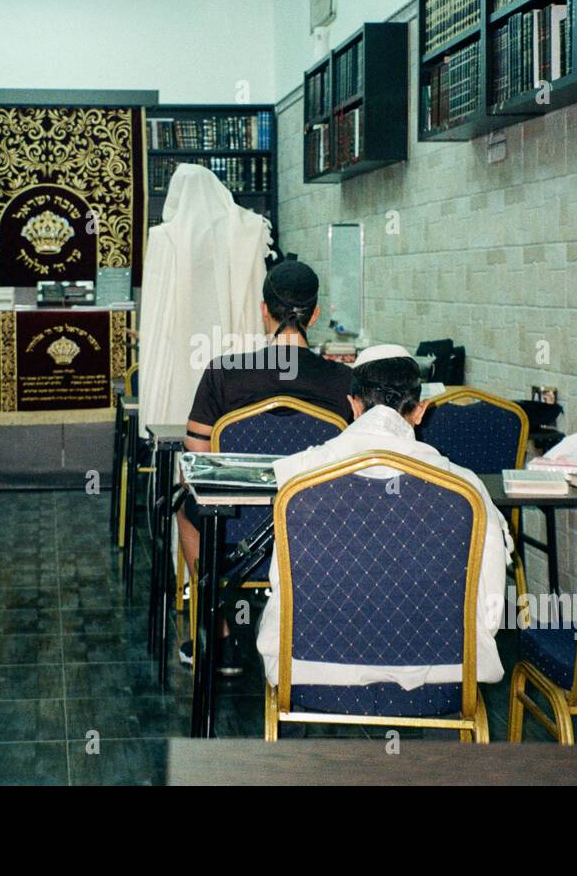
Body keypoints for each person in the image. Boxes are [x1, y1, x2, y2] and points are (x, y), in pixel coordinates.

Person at [255, 344, 514, 691]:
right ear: (420, 411)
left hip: (308, 668)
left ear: (353, 405)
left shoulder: (299, 476)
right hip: (446, 671)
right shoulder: (464, 487)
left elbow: (283, 585)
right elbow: (490, 602)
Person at [178, 259, 353, 674]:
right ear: (315, 314)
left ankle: (219, 637)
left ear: (263, 310)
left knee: (187, 509)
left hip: (237, 530)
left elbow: (197, 462)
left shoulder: (223, 373)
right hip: (315, 528)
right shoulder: (345, 383)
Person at [137, 163, 270, 436]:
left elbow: (156, 316)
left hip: (181, 351)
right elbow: (257, 302)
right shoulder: (249, 230)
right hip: (238, 353)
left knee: (183, 417)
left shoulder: (163, 237)